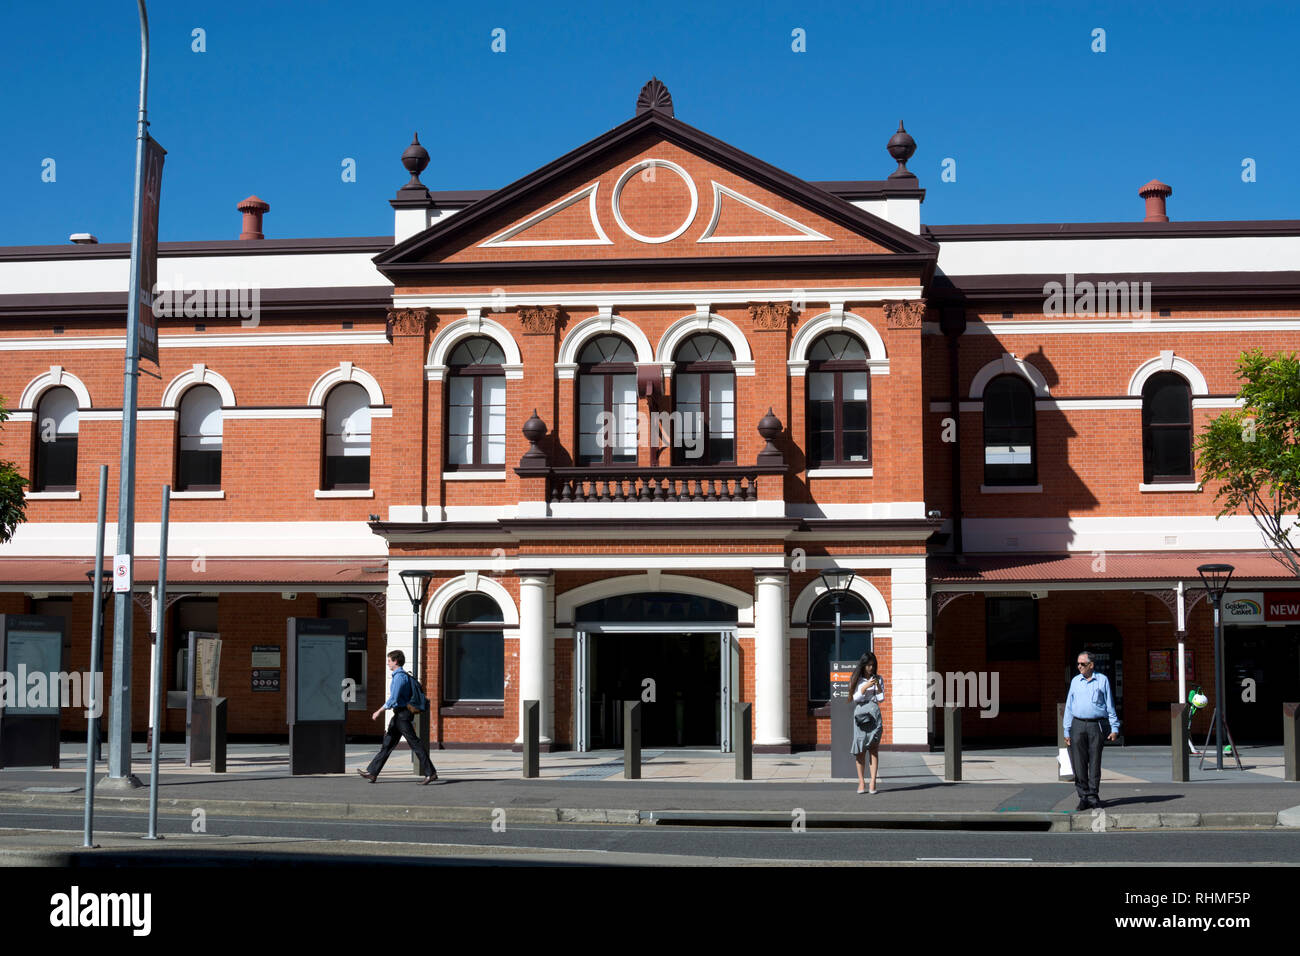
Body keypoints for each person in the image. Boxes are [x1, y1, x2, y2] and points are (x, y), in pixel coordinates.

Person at [357, 650, 437, 785]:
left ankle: (431, 773)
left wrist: (379, 711)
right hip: (399, 715)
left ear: (395, 661)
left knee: (415, 744)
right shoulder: (399, 676)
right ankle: (372, 773)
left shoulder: (400, 677)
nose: (387, 663)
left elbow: (393, 698)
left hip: (403, 715)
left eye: (389, 661)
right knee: (387, 744)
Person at [1063, 650, 1119, 810]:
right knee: (1078, 763)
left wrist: (1114, 727)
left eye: (1083, 664)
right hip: (1077, 725)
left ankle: (1093, 796)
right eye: (1078, 664)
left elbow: (1110, 704)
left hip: (1096, 725)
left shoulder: (1102, 680)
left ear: (1091, 665)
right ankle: (1083, 796)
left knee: (1095, 762)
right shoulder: (1075, 681)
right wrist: (1066, 730)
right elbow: (1069, 706)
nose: (1079, 666)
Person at [848, 652, 885, 794]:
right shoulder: (857, 678)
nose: (871, 668)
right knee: (860, 750)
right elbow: (855, 698)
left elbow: (881, 699)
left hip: (874, 714)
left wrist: (878, 686)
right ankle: (861, 782)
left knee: (874, 749)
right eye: (868, 665)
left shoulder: (878, 678)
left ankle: (873, 782)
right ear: (863, 665)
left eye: (873, 665)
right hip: (861, 714)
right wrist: (865, 687)